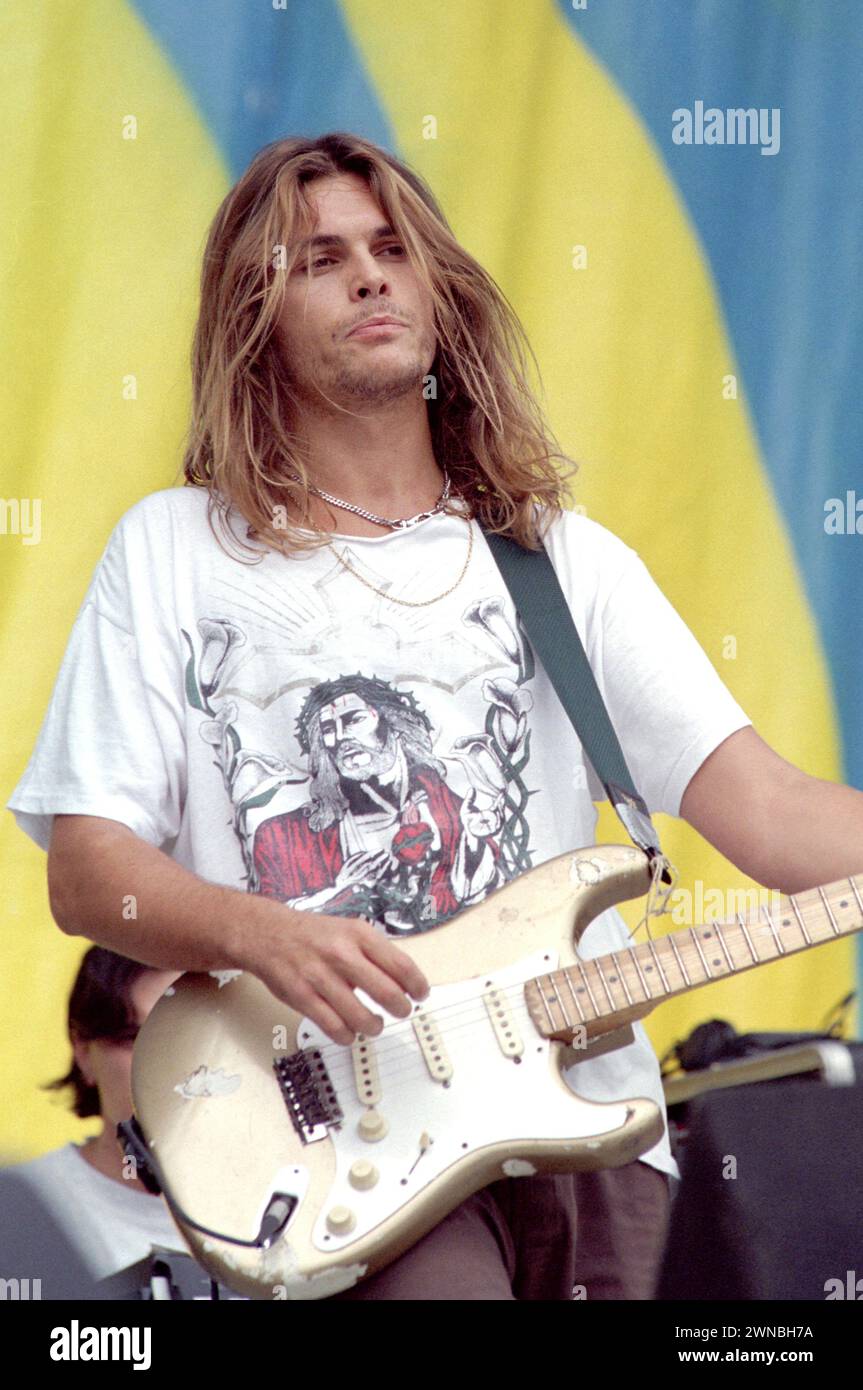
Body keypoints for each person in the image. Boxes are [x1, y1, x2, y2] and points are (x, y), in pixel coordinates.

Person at [8, 131, 863, 1300]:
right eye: (319, 258)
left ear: (435, 291)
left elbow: (769, 816)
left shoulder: (557, 560)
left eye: (390, 247)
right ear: (252, 319)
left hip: (594, 1126)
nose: (369, 274)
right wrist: (261, 932)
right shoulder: (171, 553)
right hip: (338, 1153)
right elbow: (86, 870)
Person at [3, 947, 188, 1284]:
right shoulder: (21, 1213)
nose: (162, 1062)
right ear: (83, 1051)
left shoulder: (286, 1211)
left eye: (182, 1036)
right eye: (133, 1039)